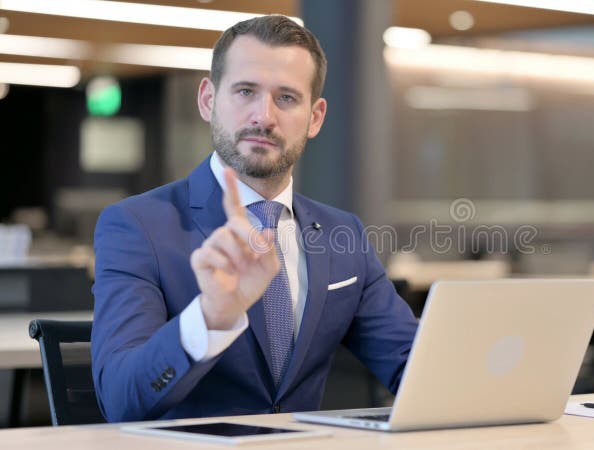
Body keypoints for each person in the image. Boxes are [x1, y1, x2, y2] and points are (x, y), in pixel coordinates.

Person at [91, 15, 418, 422]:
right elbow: (121, 399)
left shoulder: (341, 233)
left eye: (286, 98)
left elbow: (415, 368)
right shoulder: (137, 226)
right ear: (209, 100)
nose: (263, 116)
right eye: (245, 91)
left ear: (315, 118)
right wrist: (212, 315)